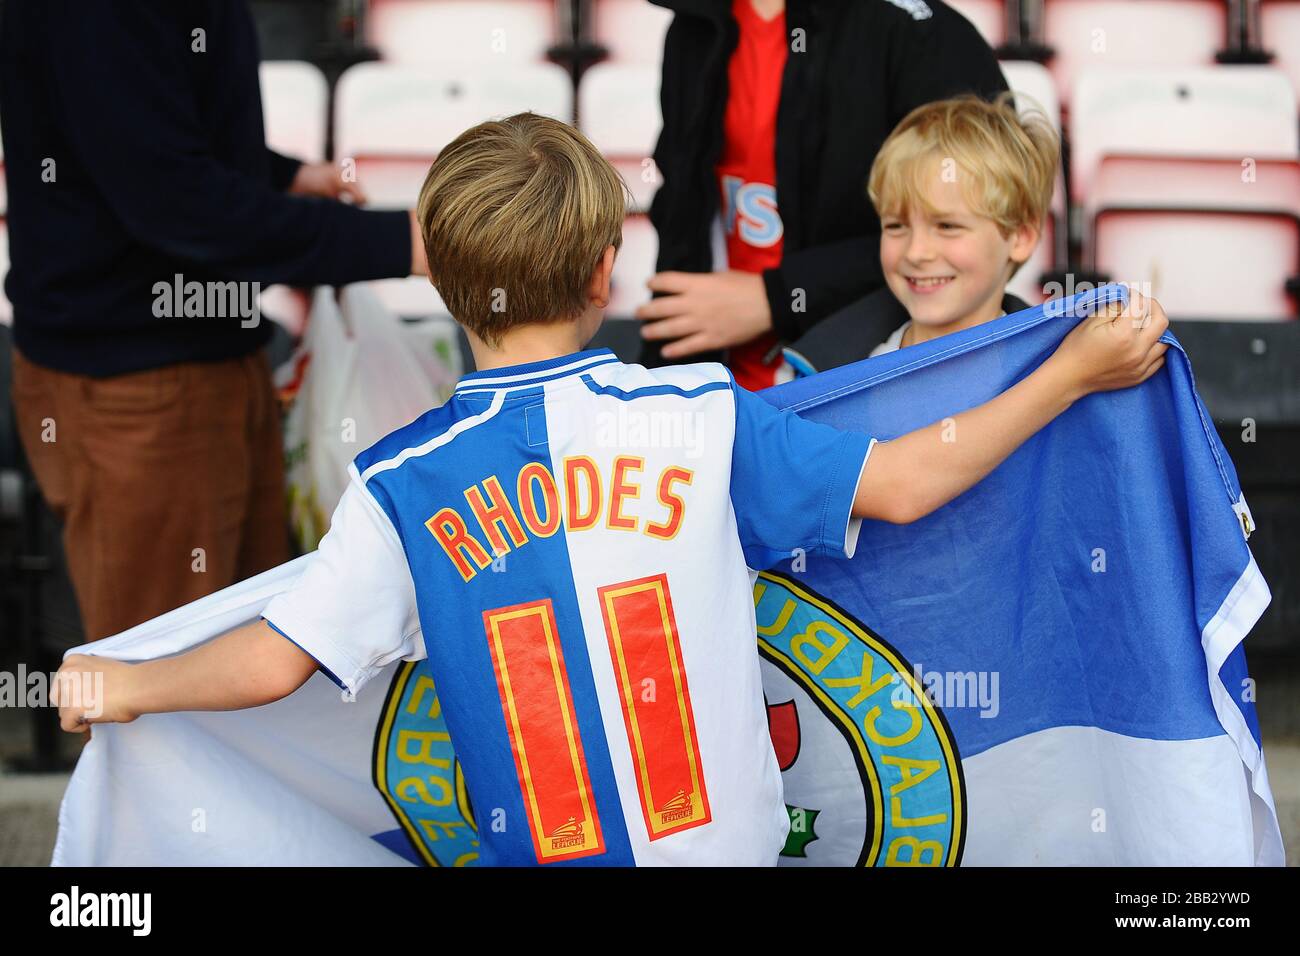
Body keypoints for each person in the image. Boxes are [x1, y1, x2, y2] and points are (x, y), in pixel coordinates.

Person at [54, 113, 1169, 867]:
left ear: (436, 272)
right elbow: (915, 481)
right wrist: (1069, 367)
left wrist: (127, 681)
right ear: (605, 275)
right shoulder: (700, 416)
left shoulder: (400, 482)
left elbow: (270, 659)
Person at [1, 1, 426, 641]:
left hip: (206, 356)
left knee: (245, 661)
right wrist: (405, 244)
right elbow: (175, 203)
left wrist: (281, 175)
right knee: (159, 689)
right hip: (138, 385)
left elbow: (148, 123)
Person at [637, 0, 1008, 388]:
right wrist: (661, 381)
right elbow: (680, 214)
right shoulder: (694, 24)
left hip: (864, 394)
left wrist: (779, 297)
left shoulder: (924, 32)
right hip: (711, 395)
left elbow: (979, 229)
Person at [785, 93, 1057, 372]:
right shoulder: (822, 371)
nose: (916, 252)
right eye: (895, 226)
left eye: (947, 226)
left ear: (1021, 237)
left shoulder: (1058, 374)